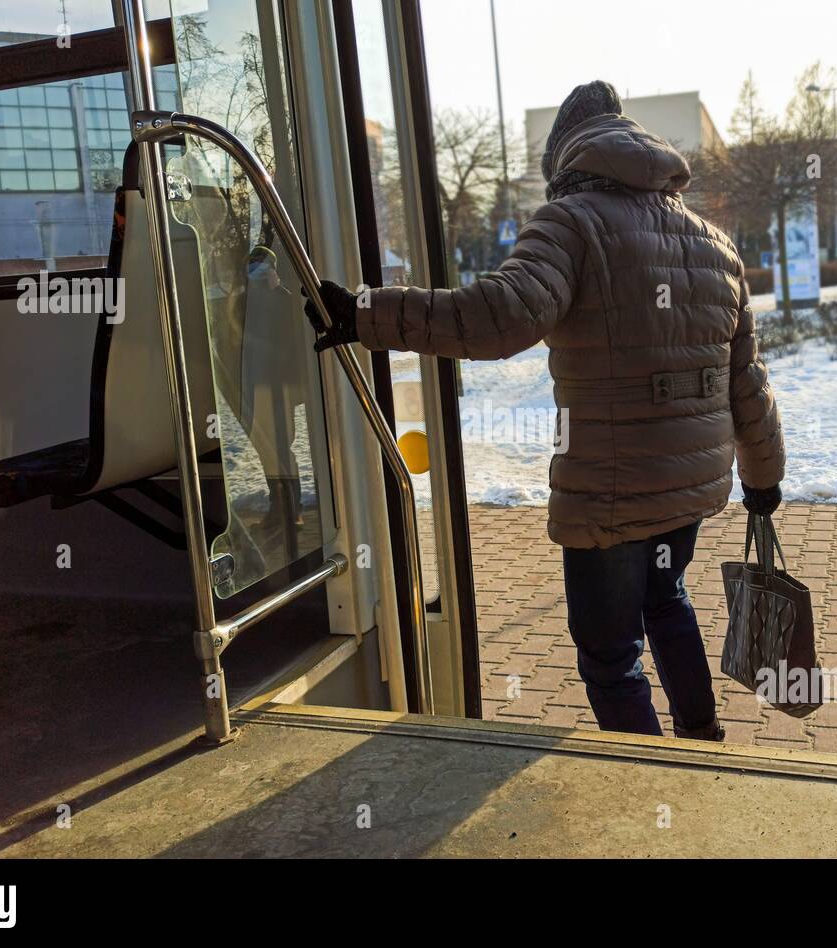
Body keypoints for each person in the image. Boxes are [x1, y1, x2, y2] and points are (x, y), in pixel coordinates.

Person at [304, 81, 785, 742]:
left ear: (566, 158)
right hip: (689, 487)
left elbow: (497, 317)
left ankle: (649, 794)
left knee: (611, 660)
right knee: (666, 599)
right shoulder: (715, 243)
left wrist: (365, 314)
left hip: (608, 496)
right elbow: (748, 383)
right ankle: (702, 744)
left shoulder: (572, 222)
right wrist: (764, 479)